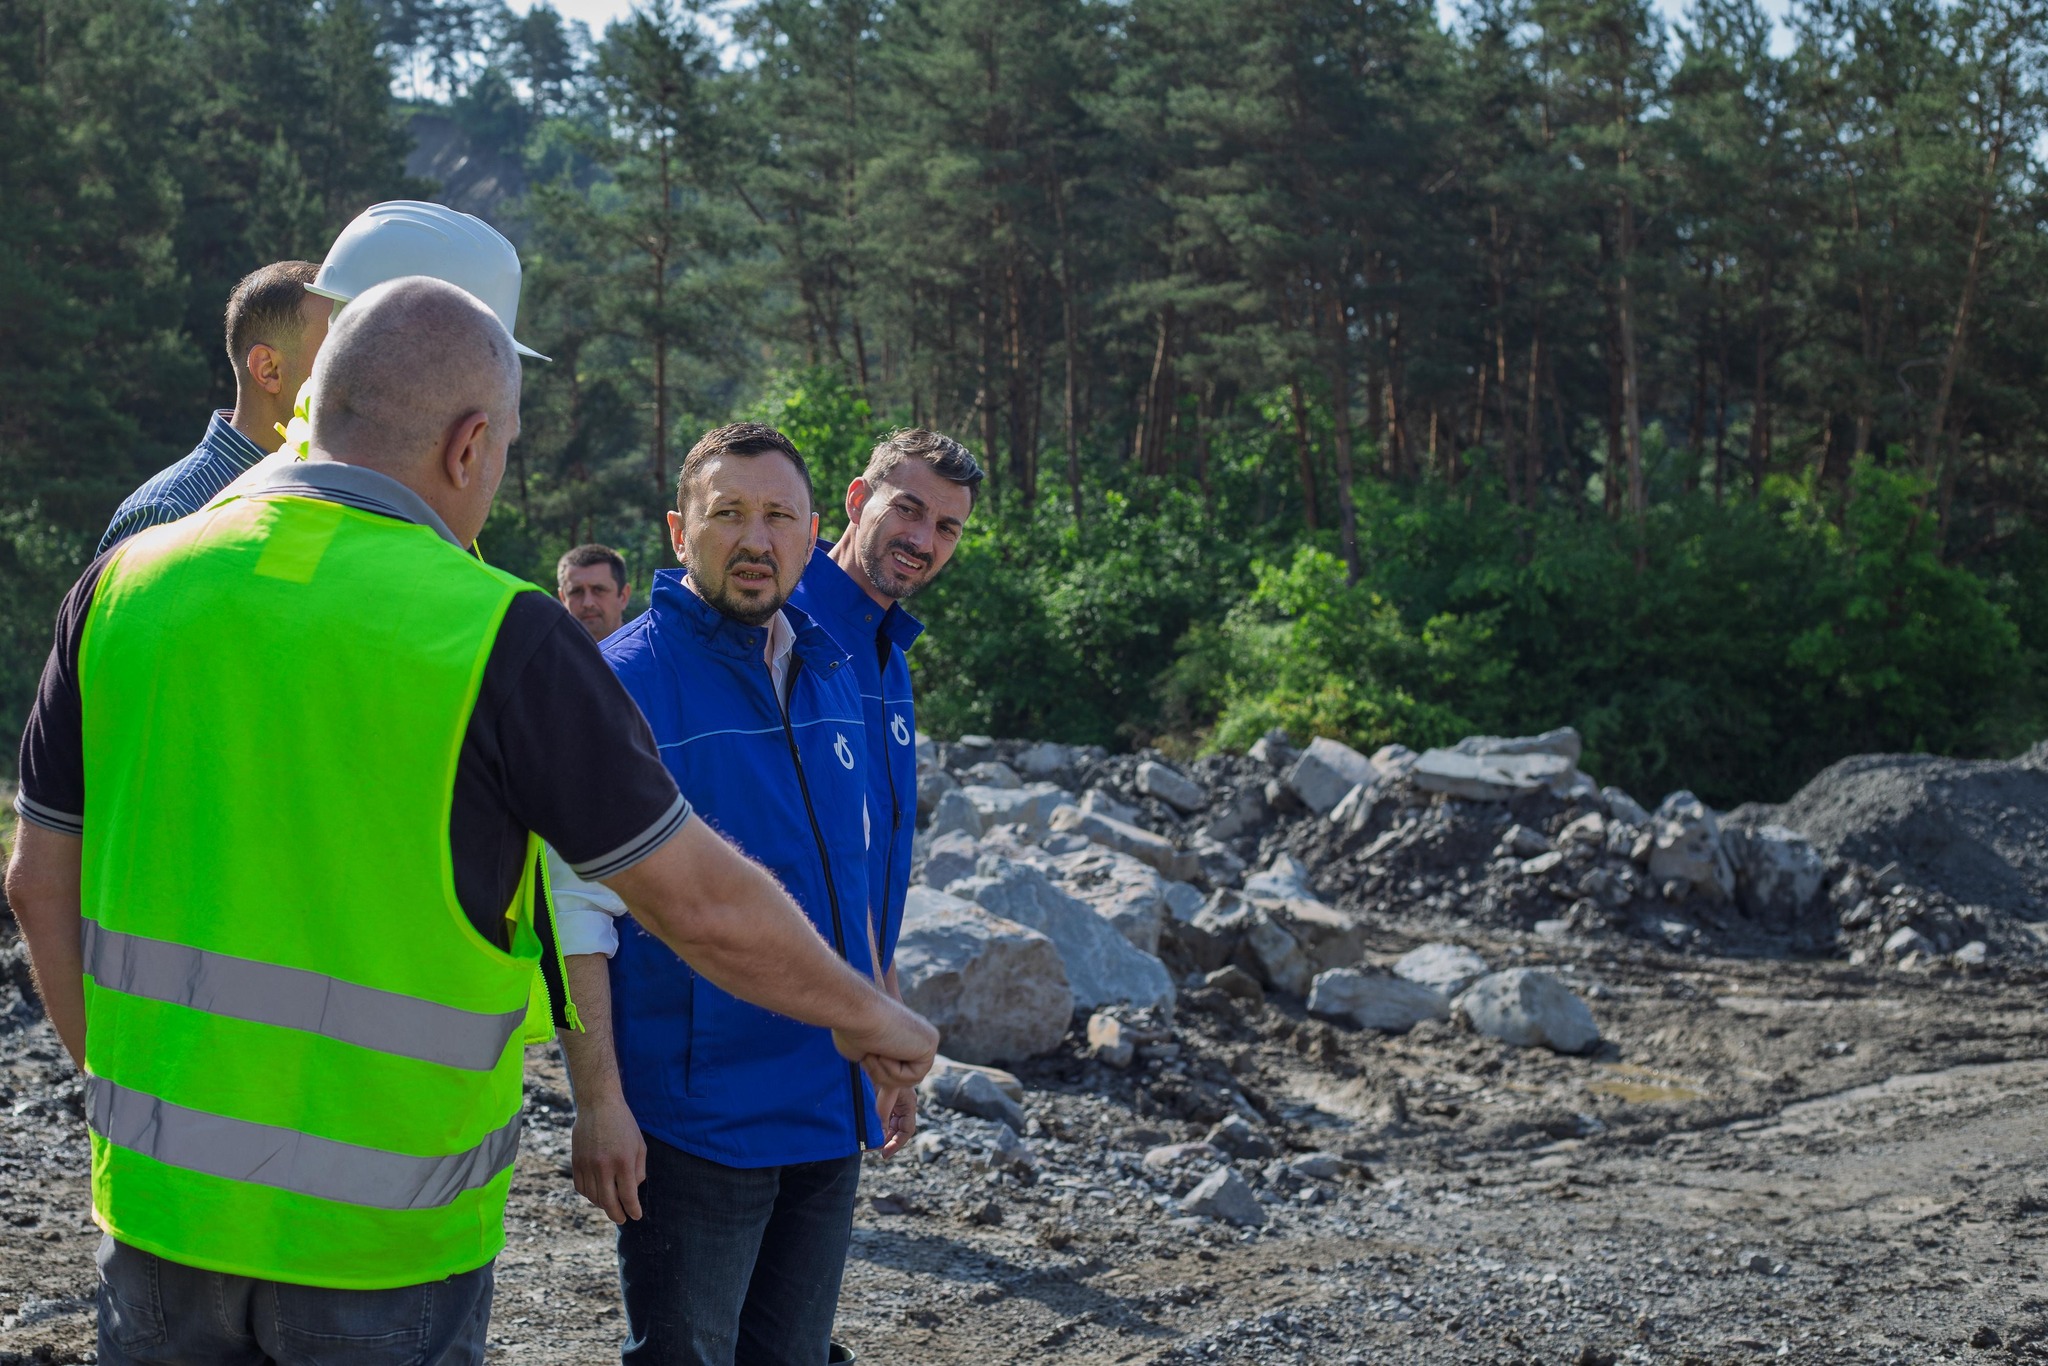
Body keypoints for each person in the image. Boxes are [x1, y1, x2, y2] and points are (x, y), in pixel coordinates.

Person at [5, 280, 935, 1366]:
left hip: (160, 1214)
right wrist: (868, 1015)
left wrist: (128, 1098)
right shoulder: (499, 632)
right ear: (469, 444)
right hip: (381, 1239)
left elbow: (36, 883)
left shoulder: (121, 585)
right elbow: (693, 900)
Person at [547, 422, 888, 1366]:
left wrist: (877, 1029)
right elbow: (573, 917)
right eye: (727, 513)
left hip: (828, 1103)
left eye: (779, 516)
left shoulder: (829, 671)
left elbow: (847, 870)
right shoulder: (620, 684)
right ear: (678, 531)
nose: (755, 539)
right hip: (699, 1124)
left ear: (814, 534)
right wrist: (598, 1101)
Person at [785, 428, 981, 1159]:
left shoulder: (889, 652)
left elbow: (863, 870)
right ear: (856, 499)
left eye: (947, 527)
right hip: (759, 1046)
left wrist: (889, 1027)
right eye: (908, 509)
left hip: (845, 1044)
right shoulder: (779, 620)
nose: (923, 540)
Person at [98, 261, 332, 553]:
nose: (353, 367)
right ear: (269, 370)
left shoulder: (328, 494)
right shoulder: (167, 513)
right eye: (333, 351)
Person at [558, 543, 633, 641]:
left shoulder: (649, 649)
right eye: (576, 591)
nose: (587, 603)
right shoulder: (546, 650)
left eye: (599, 590)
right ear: (563, 598)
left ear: (623, 596)